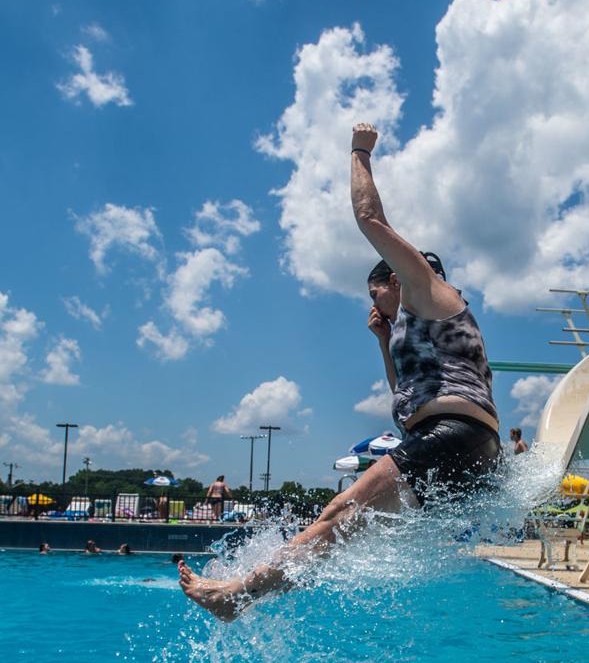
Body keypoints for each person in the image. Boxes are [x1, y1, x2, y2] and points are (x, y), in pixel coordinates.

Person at [179, 123, 502, 621]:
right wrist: (382, 341)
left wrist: (359, 152)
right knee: (347, 537)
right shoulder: (434, 330)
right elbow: (409, 406)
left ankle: (234, 597)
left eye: (376, 296)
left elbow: (370, 219)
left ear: (394, 279)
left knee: (340, 514)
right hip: (471, 450)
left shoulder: (425, 286)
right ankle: (255, 594)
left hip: (454, 437)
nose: (378, 308)